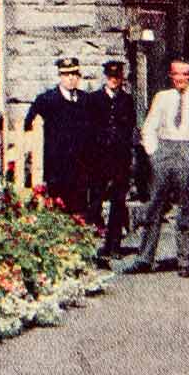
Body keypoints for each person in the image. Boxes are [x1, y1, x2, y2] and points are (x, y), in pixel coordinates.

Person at [131, 56, 189, 278]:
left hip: (187, 150)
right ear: (171, 75)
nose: (180, 78)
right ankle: (145, 258)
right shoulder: (162, 97)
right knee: (154, 206)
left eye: (184, 74)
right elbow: (149, 127)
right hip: (164, 150)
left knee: (184, 208)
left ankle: (184, 260)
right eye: (176, 74)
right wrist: (153, 152)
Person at [84, 59, 137, 264]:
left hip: (120, 157)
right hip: (99, 158)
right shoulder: (94, 99)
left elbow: (130, 125)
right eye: (111, 77)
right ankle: (96, 242)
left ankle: (114, 244)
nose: (114, 81)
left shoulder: (127, 100)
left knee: (118, 201)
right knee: (96, 200)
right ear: (105, 77)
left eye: (117, 77)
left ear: (122, 78)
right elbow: (88, 128)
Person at [24, 56, 90, 215]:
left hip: (79, 166)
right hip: (56, 166)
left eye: (74, 74)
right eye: (67, 75)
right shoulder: (47, 99)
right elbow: (29, 125)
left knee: (79, 210)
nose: (71, 78)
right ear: (60, 76)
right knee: (57, 209)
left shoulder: (86, 99)